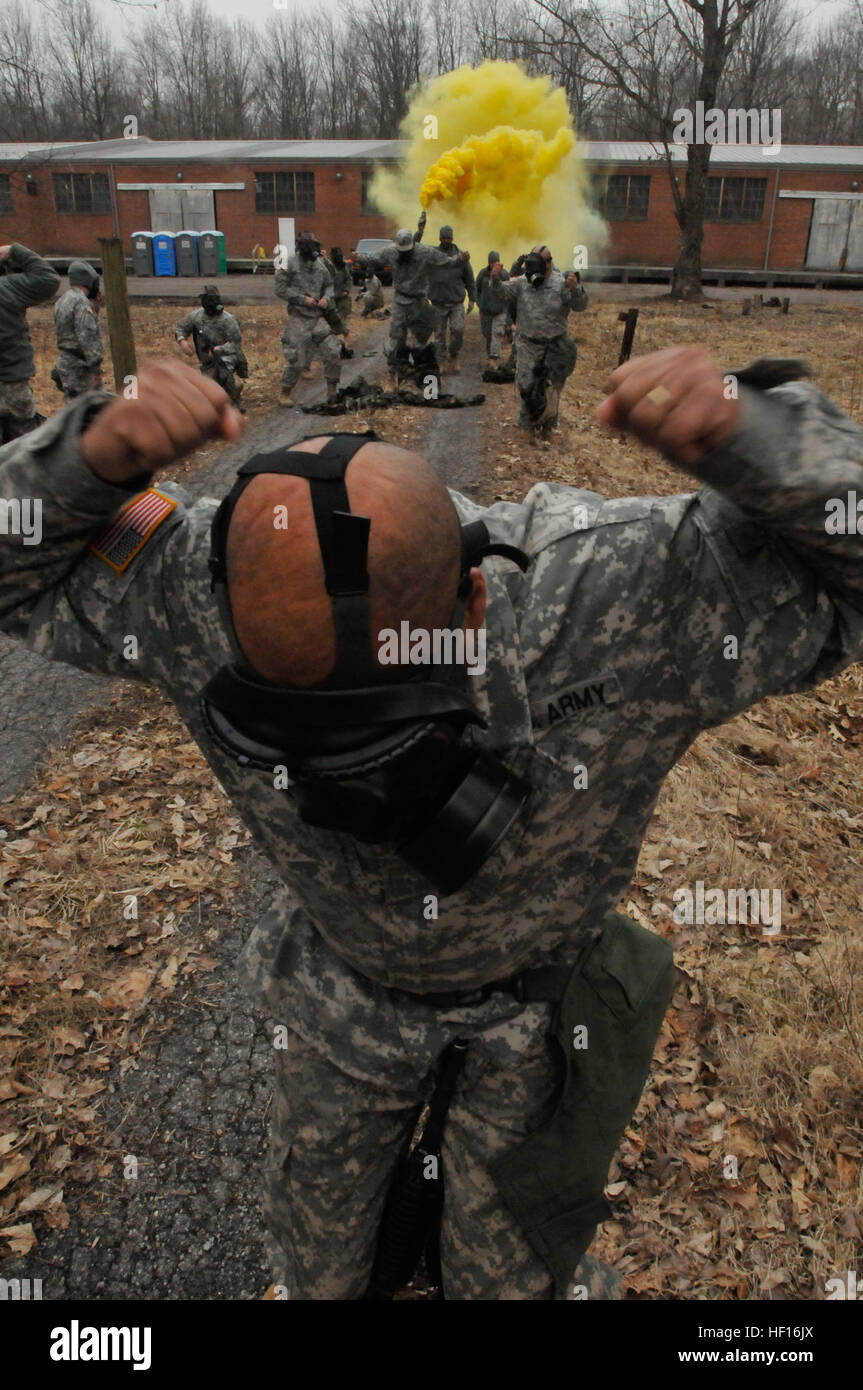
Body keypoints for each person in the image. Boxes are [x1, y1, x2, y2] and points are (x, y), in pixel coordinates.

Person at [3, 348, 862, 1302]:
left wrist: (764, 438)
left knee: (507, 1282)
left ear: (478, 601)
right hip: (342, 1006)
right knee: (321, 1273)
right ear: (224, 614)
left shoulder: (610, 592)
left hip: (535, 1022)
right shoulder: (192, 586)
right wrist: (87, 455)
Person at [496, 245, 587, 434]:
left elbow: (579, 306)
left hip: (554, 345)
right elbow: (503, 293)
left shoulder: (561, 282)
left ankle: (547, 427)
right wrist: (494, 279)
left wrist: (575, 289)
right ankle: (526, 427)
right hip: (528, 344)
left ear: (548, 264)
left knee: (552, 388)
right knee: (526, 384)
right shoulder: (523, 282)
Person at [364, 211, 461, 376]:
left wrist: (460, 258)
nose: (405, 253)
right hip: (400, 300)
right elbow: (371, 259)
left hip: (419, 301)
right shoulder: (391, 252)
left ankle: (421, 370)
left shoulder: (423, 251)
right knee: (396, 336)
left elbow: (444, 260)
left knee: (421, 339)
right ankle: (395, 370)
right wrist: (356, 257)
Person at [0, 241, 60, 442]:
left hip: (12, 381)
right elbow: (48, 279)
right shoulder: (8, 288)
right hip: (13, 382)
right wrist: (14, 251)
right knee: (25, 447)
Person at [275, 231, 341, 407]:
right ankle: (285, 393)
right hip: (299, 318)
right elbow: (280, 289)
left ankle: (332, 392)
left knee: (333, 351)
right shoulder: (288, 263)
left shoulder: (319, 264)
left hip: (317, 318)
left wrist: (327, 298)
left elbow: (329, 284)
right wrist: (302, 299)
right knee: (297, 359)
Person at [176, 286, 247, 410]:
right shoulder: (196, 317)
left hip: (227, 356)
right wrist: (182, 341)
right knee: (207, 389)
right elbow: (181, 327)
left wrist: (218, 349)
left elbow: (236, 343)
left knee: (225, 374)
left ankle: (234, 399)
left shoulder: (228, 320)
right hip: (208, 361)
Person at [425, 225, 476, 374]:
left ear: (452, 239)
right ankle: (441, 360)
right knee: (439, 334)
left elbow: (470, 279)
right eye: (443, 238)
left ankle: (454, 355)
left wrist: (472, 299)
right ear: (439, 238)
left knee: (458, 330)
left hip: (456, 303)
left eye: (448, 238)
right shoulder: (433, 256)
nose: (446, 240)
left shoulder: (462, 257)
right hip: (438, 302)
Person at [52, 260, 104, 402]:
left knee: (73, 408)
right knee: (89, 410)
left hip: (66, 363)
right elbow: (87, 337)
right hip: (81, 368)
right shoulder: (82, 303)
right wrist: (96, 371)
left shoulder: (62, 300)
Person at [475, 251, 510, 369]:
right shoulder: (483, 274)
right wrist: (479, 302)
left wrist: (506, 310)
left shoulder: (504, 275)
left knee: (497, 334)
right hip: (485, 311)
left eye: (495, 262)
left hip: (500, 311)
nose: (493, 265)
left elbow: (509, 292)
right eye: (491, 262)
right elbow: (476, 288)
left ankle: (493, 359)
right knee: (488, 334)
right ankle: (490, 355)